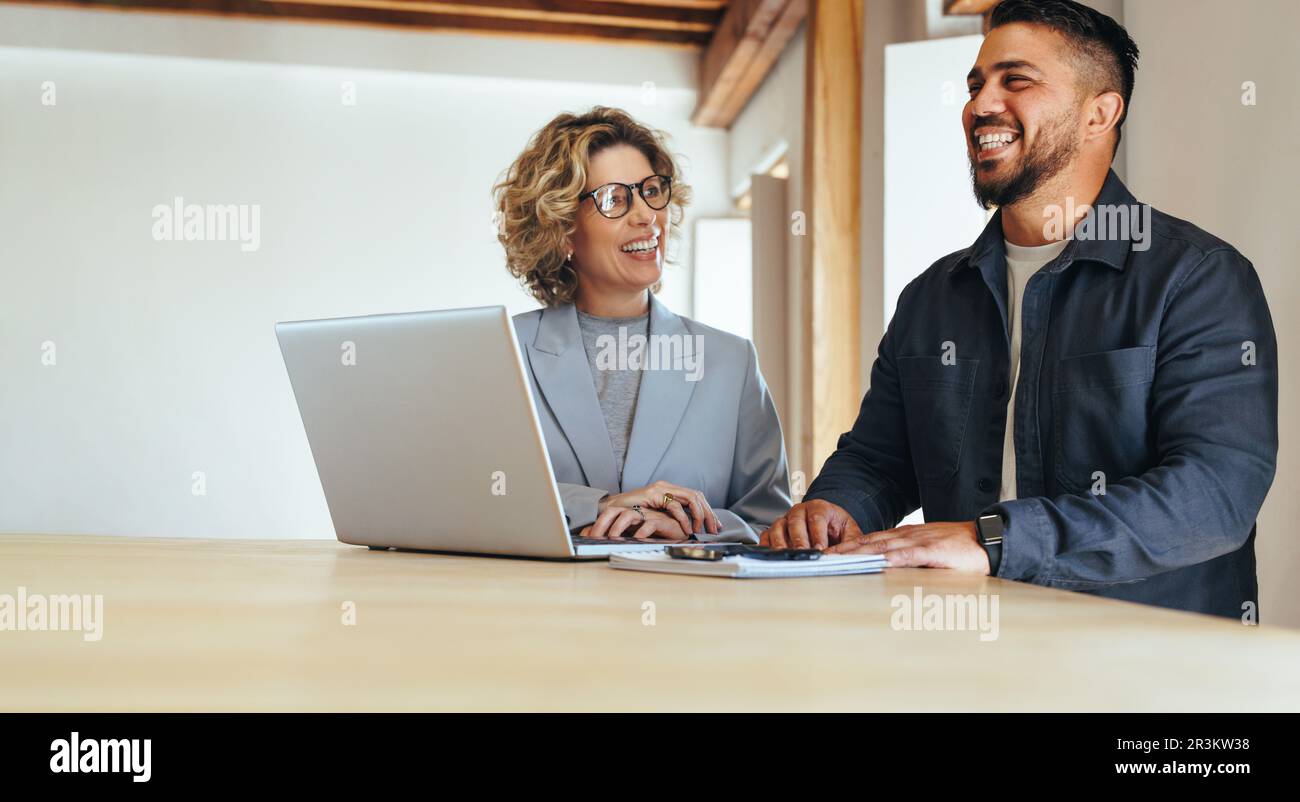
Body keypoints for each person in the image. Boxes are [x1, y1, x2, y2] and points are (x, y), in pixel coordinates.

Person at [763, 0, 1277, 619]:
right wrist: (834, 509)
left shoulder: (1197, 279)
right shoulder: (932, 297)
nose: (981, 105)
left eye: (1018, 80)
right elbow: (880, 458)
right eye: (977, 84)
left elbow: (1214, 495)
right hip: (968, 654)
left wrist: (994, 541)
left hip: (1149, 671)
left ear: (1100, 113)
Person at [495, 106, 791, 543]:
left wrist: (689, 530)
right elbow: (471, 494)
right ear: (561, 229)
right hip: (546, 607)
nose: (646, 214)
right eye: (615, 199)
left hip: (687, 605)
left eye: (652, 190)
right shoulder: (505, 352)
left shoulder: (731, 361)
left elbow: (770, 522)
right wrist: (591, 506)